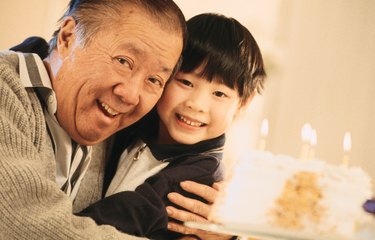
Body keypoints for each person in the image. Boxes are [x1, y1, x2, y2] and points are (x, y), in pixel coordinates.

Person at [0, 0, 186, 239]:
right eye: (123, 61)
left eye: (154, 80)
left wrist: (218, 225)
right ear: (68, 38)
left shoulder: (113, 130)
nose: (130, 95)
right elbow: (20, 223)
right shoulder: (7, 90)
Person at [75, 13, 266, 239]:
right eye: (186, 82)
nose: (196, 104)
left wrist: (54, 222)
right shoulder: (139, 122)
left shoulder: (199, 178)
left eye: (219, 93)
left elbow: (124, 214)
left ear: (244, 103)